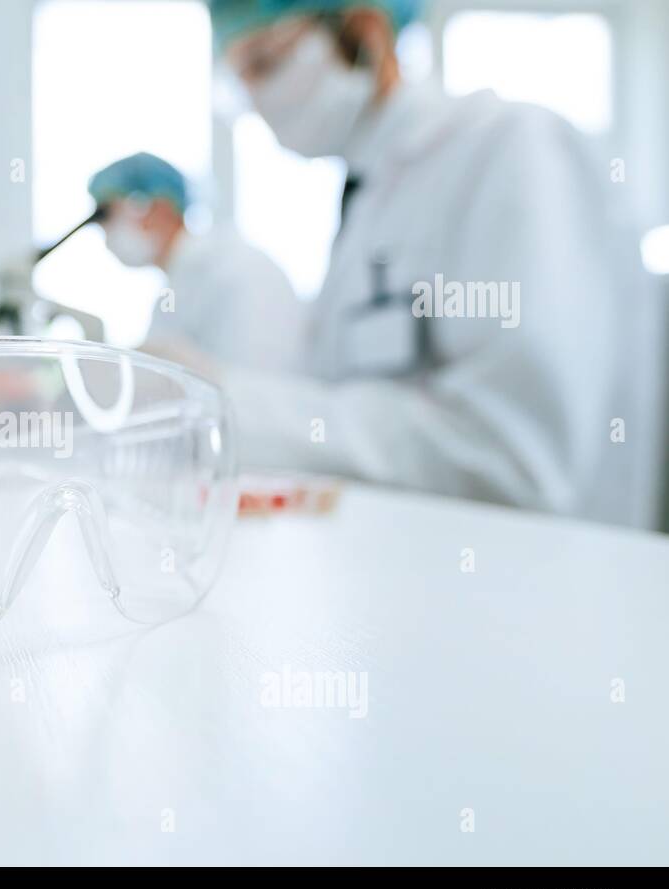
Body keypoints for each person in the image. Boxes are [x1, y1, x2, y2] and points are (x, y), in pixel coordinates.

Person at [206, 0, 665, 528]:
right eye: (240, 80)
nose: (258, 100)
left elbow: (517, 458)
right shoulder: (368, 200)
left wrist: (233, 404)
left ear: (365, 30)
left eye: (265, 63)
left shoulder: (512, 148)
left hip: (543, 583)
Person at [88, 152, 305, 373]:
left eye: (107, 216)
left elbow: (257, 388)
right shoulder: (171, 294)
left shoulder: (235, 266)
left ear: (156, 207)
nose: (105, 233)